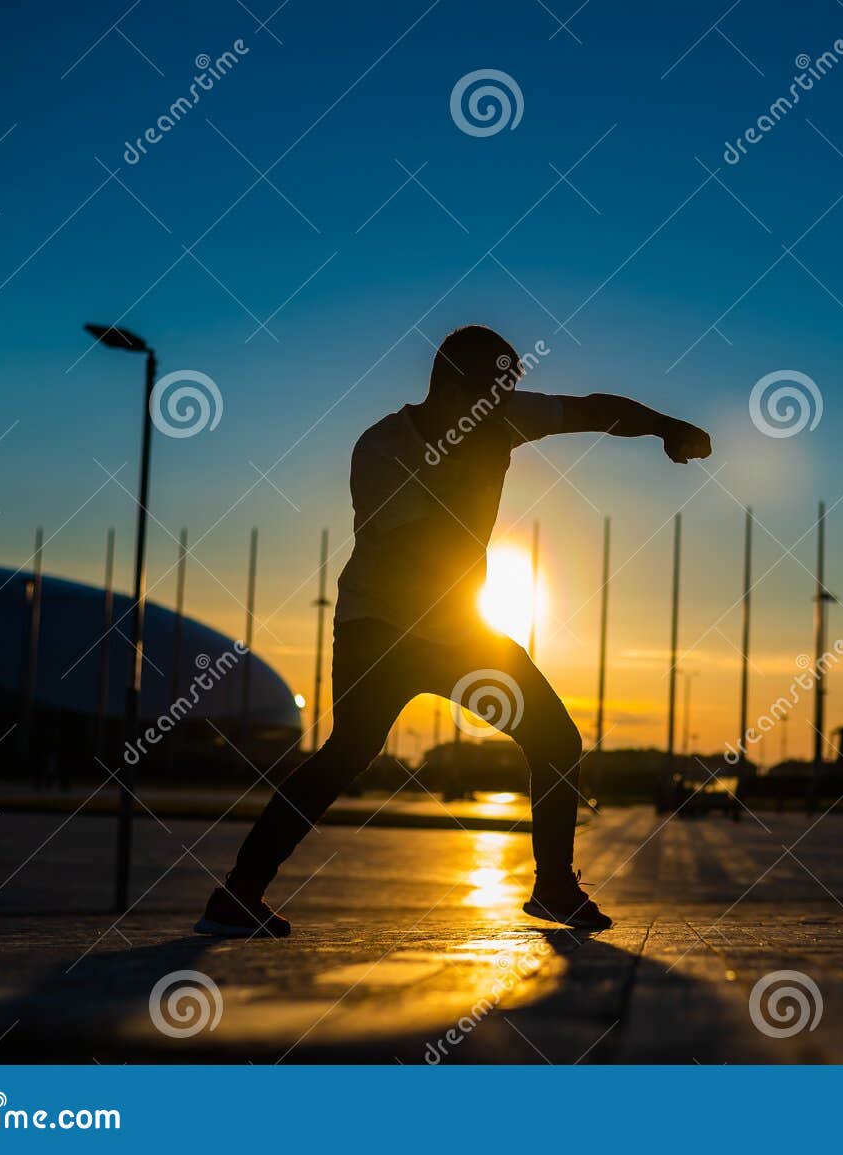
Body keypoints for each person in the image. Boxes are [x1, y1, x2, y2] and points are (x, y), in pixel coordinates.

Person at [197, 325, 712, 937]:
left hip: (460, 631)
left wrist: (665, 426)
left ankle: (552, 887)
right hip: (380, 629)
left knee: (555, 739)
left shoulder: (502, 416)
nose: (495, 409)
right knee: (348, 754)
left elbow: (592, 410)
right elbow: (411, 549)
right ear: (446, 385)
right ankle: (237, 896)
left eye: (504, 395)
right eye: (486, 395)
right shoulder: (383, 446)